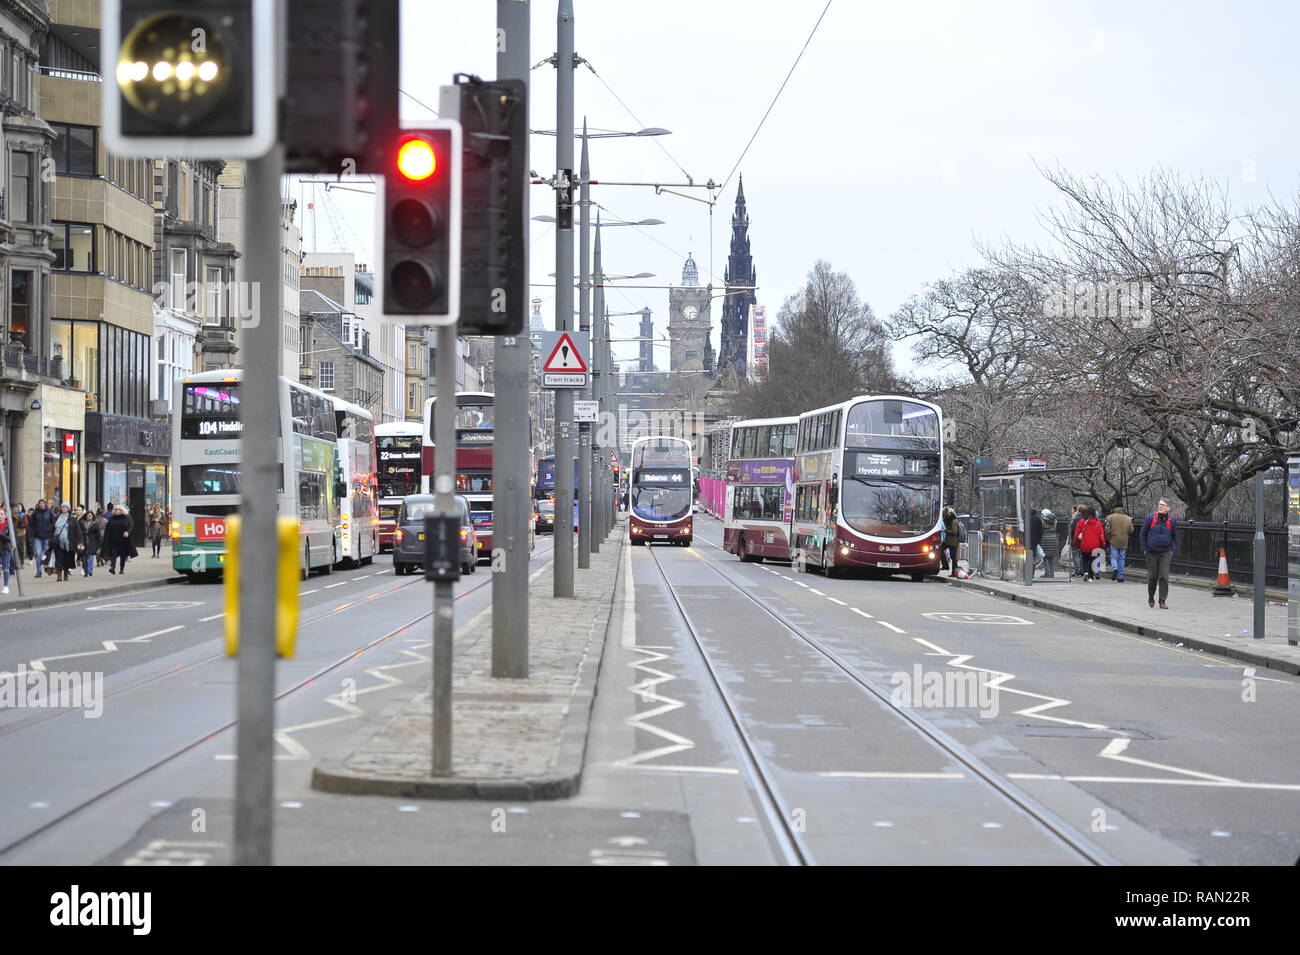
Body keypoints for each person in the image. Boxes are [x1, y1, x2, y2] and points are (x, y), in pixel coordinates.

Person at [1140, 499, 1177, 609]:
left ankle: (1162, 600)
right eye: (1159, 504)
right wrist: (1145, 549)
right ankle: (1151, 596)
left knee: (1164, 576)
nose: (1160, 506)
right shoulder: (1150, 518)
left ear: (1168, 508)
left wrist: (1172, 550)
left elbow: (1174, 536)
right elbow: (1143, 534)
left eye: (1163, 505)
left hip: (1166, 552)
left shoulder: (1172, 520)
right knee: (1152, 577)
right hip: (1151, 552)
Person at [1073, 505, 1107, 581]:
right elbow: (1101, 536)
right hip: (1095, 545)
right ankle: (1091, 577)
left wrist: (1076, 543)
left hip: (1084, 544)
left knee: (1085, 559)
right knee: (1092, 561)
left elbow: (1077, 534)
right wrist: (1103, 545)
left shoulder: (1081, 522)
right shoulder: (1098, 523)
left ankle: (1086, 572)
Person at [51, 503, 83, 582]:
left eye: (65, 507)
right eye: (62, 507)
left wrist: (80, 542)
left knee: (66, 559)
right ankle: (59, 575)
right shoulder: (56, 518)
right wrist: (51, 539)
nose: (64, 508)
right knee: (58, 558)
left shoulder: (72, 519)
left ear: (68, 509)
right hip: (58, 542)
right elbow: (52, 529)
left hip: (69, 543)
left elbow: (78, 531)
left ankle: (65, 574)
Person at [1104, 505, 1134, 582]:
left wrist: (1108, 538)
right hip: (1124, 540)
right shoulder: (1128, 518)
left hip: (1113, 539)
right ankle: (1120, 576)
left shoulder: (1110, 517)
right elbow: (1131, 530)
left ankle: (1114, 568)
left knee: (1113, 556)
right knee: (1122, 557)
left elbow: (1107, 529)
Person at [104, 505, 136, 574]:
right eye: (115, 509)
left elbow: (131, 526)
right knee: (113, 554)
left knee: (122, 555)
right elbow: (108, 529)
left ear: (121, 510)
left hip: (123, 540)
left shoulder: (126, 518)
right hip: (113, 539)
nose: (116, 510)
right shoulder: (112, 518)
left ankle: (122, 569)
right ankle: (112, 567)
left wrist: (127, 532)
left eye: (117, 509)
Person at [28, 499, 54, 578]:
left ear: (45, 504)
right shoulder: (35, 513)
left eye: (43, 503)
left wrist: (52, 533)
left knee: (46, 554)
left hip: (47, 537)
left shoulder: (49, 512)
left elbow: (53, 523)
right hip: (37, 537)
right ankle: (39, 571)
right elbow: (31, 525)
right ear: (38, 504)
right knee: (38, 555)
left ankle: (47, 568)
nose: (41, 504)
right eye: (40, 503)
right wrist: (29, 535)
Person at [78, 506, 102, 577]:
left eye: (90, 516)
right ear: (85, 516)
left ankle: (90, 570)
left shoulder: (95, 524)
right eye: (88, 516)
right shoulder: (82, 523)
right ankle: (85, 571)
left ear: (92, 516)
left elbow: (98, 534)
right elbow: (79, 532)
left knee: (90, 557)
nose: (89, 517)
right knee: (84, 558)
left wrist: (100, 544)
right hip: (84, 542)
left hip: (92, 542)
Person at [940, 506, 962, 577]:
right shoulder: (949, 520)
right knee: (939, 549)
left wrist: (945, 530)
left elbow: (954, 531)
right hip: (948, 540)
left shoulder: (953, 521)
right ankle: (945, 565)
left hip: (953, 541)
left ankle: (953, 572)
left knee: (953, 557)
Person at [1039, 509, 1060, 578]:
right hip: (1053, 538)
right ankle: (1052, 573)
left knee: (1045, 558)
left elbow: (1041, 529)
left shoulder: (1044, 522)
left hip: (1046, 539)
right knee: (1051, 559)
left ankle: (1046, 573)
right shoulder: (1054, 521)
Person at [1067, 504, 1086, 577]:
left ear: (1079, 511)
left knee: (1076, 555)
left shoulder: (1077, 519)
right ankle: (1082, 570)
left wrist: (1072, 520)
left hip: (1076, 538)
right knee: (1081, 555)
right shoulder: (1086, 518)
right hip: (1084, 539)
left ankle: (1078, 570)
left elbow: (1071, 529)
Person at [0, 504, 13, 595]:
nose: (0, 516)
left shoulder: (9, 526)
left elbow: (10, 539)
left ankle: (5, 586)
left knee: (5, 568)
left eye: (1, 514)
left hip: (5, 549)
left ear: (5, 515)